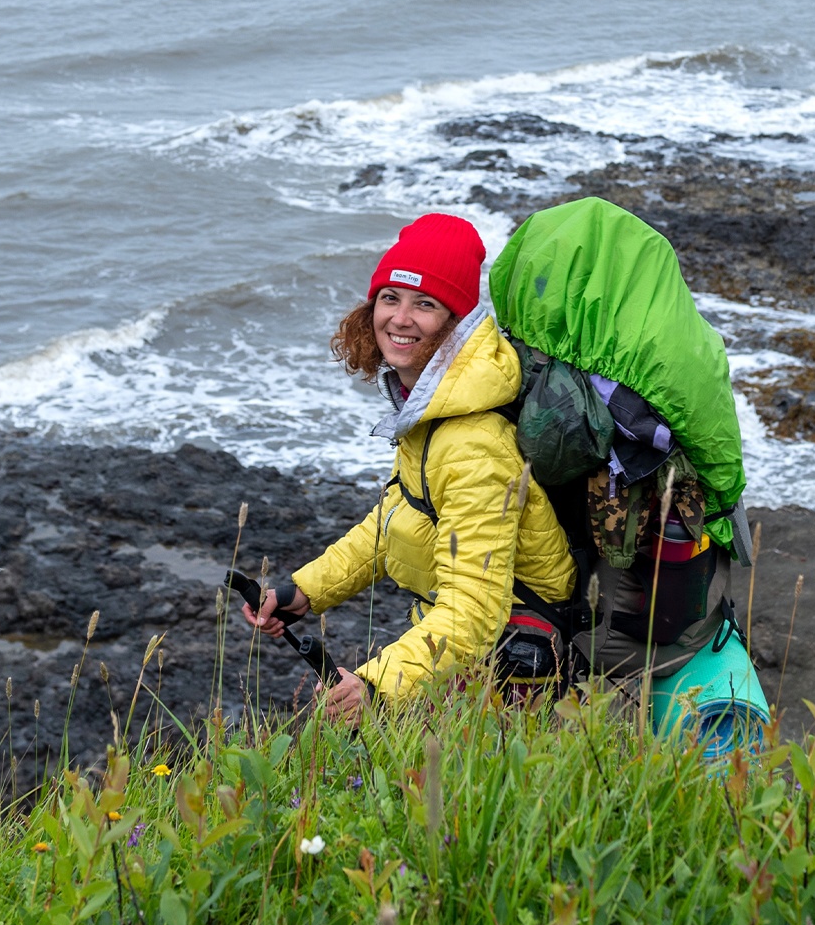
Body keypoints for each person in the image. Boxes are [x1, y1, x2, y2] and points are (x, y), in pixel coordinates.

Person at [240, 213, 577, 723]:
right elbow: (406, 513)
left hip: (509, 672)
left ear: (455, 322)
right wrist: (304, 591)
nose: (400, 318)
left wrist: (377, 685)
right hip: (463, 656)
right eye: (390, 297)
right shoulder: (435, 405)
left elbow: (475, 608)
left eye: (425, 303)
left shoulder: (472, 441)